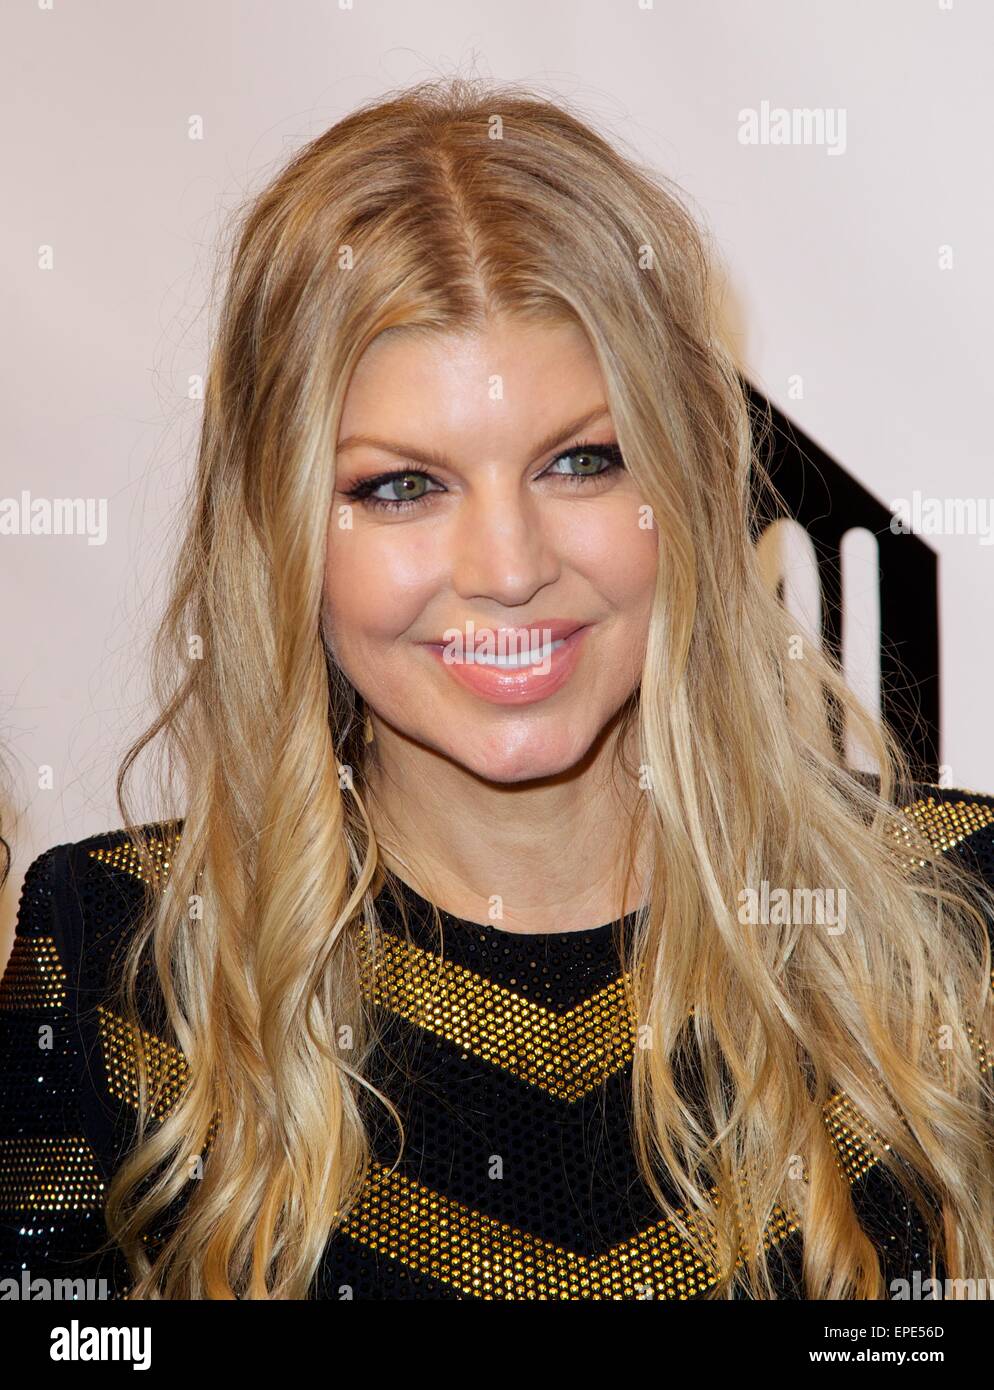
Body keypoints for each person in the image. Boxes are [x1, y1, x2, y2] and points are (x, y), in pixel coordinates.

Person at [2, 76, 993, 1302]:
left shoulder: (948, 918)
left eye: (582, 462)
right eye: (401, 487)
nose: (513, 570)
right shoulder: (120, 956)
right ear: (275, 531)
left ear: (683, 486)